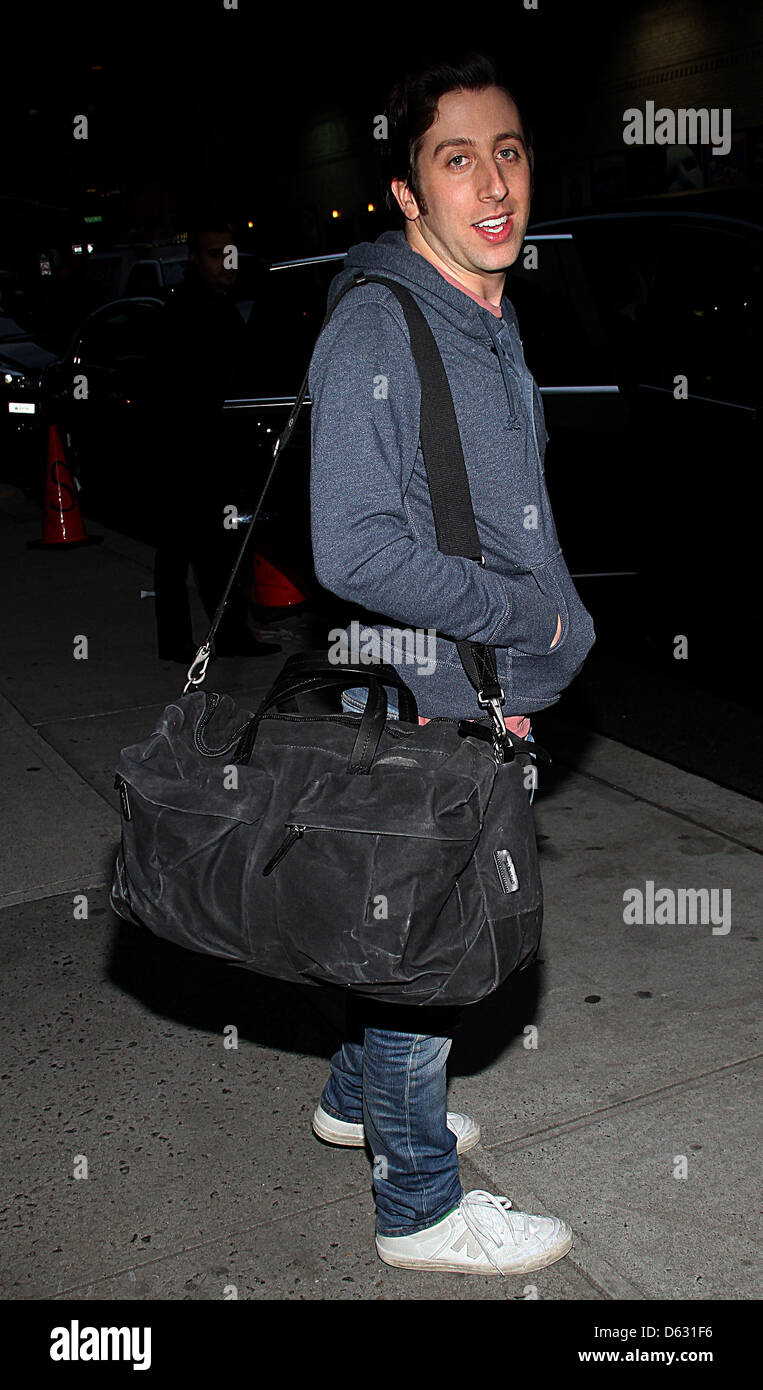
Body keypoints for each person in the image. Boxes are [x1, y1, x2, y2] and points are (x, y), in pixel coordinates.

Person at [307, 50, 596, 1276]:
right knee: (432, 949)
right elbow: (353, 543)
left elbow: (504, 500)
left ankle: (356, 1102)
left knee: (409, 930)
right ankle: (417, 1206)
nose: (493, 182)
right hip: (432, 689)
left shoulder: (485, 305)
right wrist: (516, 626)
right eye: (456, 157)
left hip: (477, 684)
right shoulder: (380, 321)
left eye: (510, 150)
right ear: (405, 192)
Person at [149, 212, 280, 662]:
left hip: (205, 450)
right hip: (190, 451)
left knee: (207, 550)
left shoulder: (221, 304)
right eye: (214, 254)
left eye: (229, 253)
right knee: (191, 549)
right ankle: (195, 639)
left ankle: (216, 636)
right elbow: (195, 387)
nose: (226, 262)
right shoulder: (190, 308)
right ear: (193, 259)